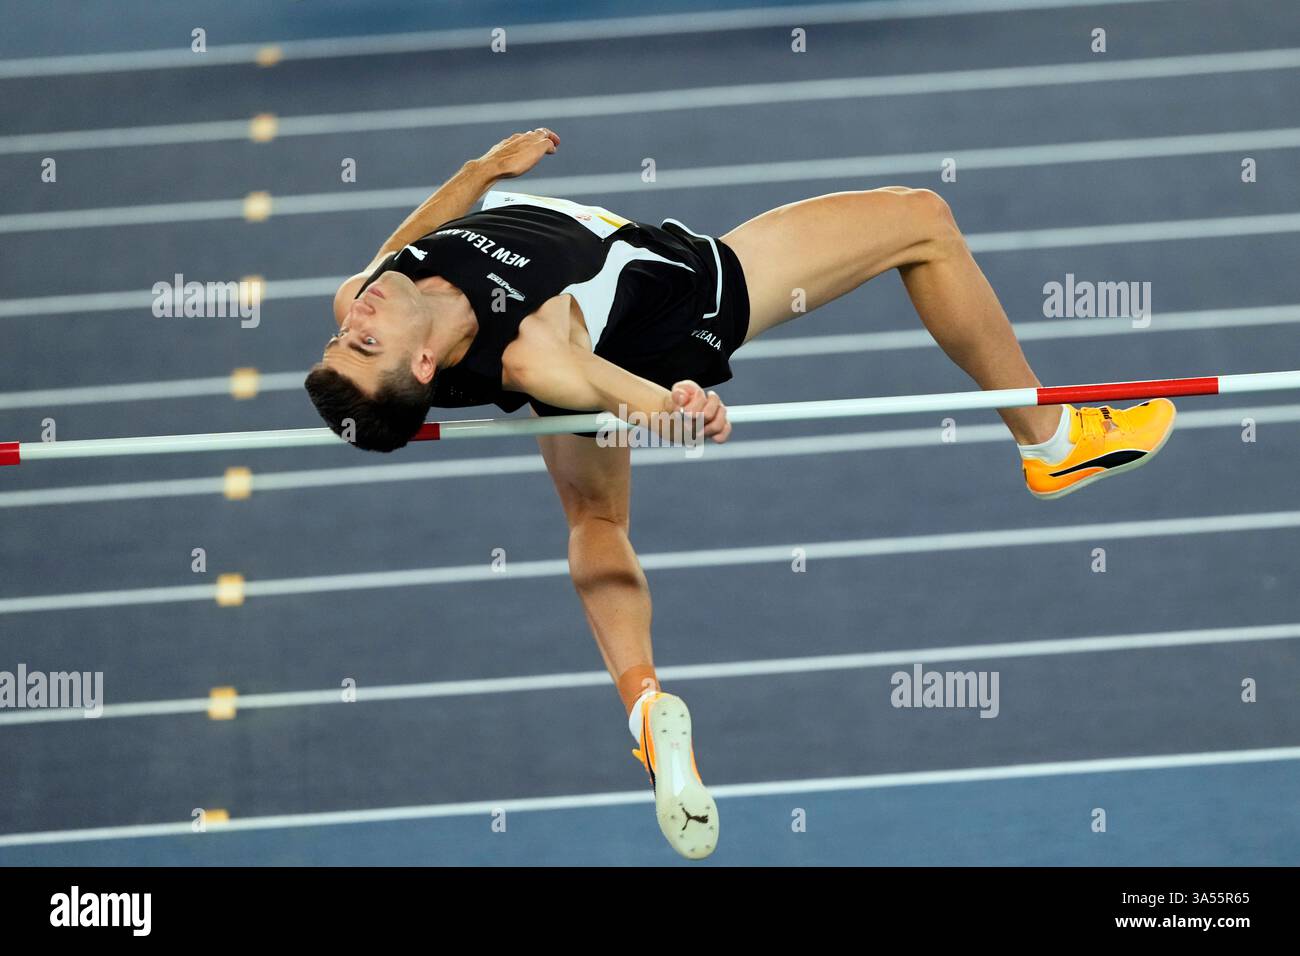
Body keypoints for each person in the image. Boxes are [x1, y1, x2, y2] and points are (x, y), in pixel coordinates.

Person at [305, 128, 1176, 859]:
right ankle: (1053, 443)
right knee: (923, 221)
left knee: (597, 518)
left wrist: (478, 176)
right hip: (686, 301)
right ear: (421, 367)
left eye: (346, 336)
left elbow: (398, 252)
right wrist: (678, 408)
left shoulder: (370, 294)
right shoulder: (533, 350)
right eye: (363, 344)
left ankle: (646, 707)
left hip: (599, 351)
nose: (356, 320)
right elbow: (593, 380)